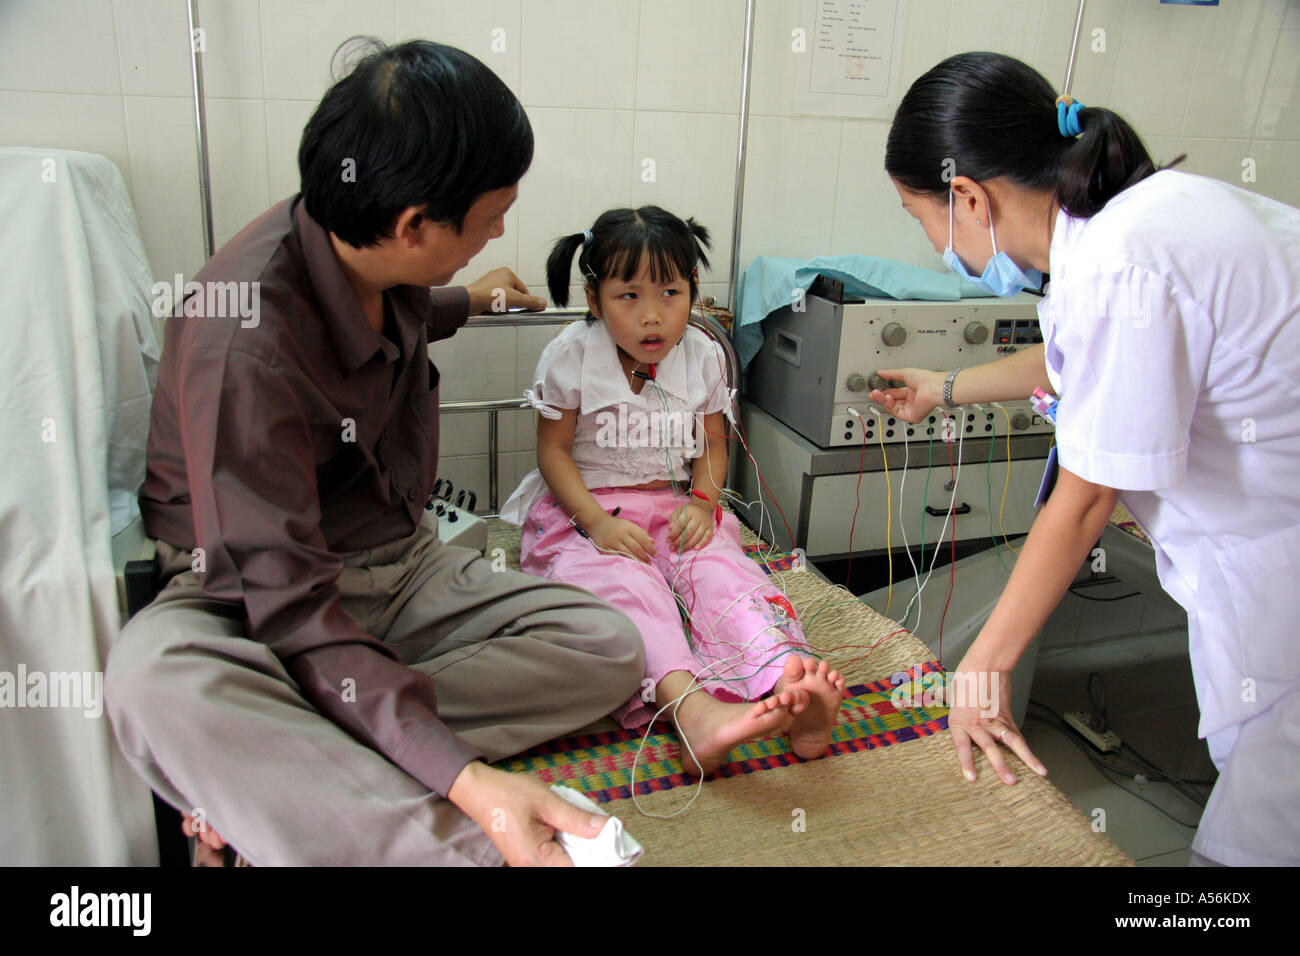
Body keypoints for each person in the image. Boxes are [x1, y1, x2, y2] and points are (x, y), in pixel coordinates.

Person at [105, 38, 647, 867]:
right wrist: (466, 777)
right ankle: (463, 841)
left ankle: (289, 768)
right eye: (492, 213)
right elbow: (283, 603)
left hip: (403, 571)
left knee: (605, 644)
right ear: (410, 225)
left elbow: (409, 306)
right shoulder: (242, 341)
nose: (502, 228)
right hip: (253, 600)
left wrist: (472, 294)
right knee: (154, 679)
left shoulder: (363, 245)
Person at [870, 51, 1300, 866]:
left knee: (1263, 833)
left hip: (1279, 560)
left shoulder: (1116, 260)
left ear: (966, 196)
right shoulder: (1133, 223)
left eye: (916, 214)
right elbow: (1082, 363)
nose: (931, 240)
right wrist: (946, 386)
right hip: (1269, 536)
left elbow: (1086, 497)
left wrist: (982, 666)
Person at [501, 207, 845, 777]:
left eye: (670, 291)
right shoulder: (570, 356)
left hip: (676, 507)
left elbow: (713, 445)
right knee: (632, 590)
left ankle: (787, 675)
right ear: (594, 301)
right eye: (628, 296)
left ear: (692, 292)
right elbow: (554, 454)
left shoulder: (704, 355)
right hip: (588, 514)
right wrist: (598, 524)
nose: (653, 315)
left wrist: (705, 503)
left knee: (724, 575)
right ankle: (693, 711)